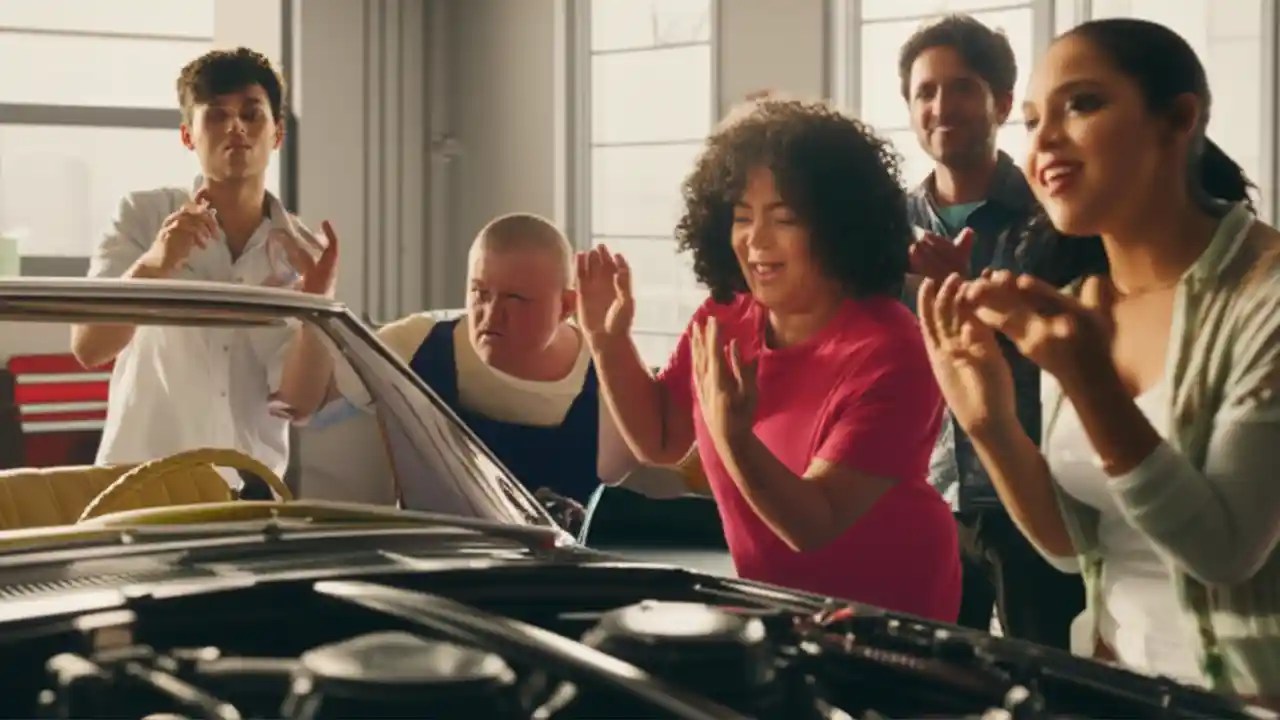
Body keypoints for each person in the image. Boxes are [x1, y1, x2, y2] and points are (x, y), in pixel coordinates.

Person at [919, 18, 1280, 701]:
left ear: (1179, 120)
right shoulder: (1083, 301)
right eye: (1031, 121)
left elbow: (1225, 554)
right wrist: (989, 421)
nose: (1044, 141)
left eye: (1081, 104)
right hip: (1114, 685)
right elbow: (1073, 547)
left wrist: (1089, 381)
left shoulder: (1266, 297)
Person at [578, 98, 961, 621]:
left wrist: (733, 437)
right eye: (741, 217)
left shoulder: (895, 351)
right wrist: (607, 341)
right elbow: (660, 439)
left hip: (890, 617)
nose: (755, 241)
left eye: (783, 219)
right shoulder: (727, 313)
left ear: (838, 227)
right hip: (777, 606)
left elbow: (813, 523)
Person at [897, 14, 1100, 647]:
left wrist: (970, 303)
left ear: (1002, 102)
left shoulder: (1057, 215)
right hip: (928, 496)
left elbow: (1085, 348)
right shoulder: (888, 223)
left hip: (1034, 494)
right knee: (933, 682)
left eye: (961, 88)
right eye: (925, 92)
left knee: (1044, 678)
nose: (941, 107)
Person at [71, 47, 337, 488]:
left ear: (277, 135)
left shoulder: (303, 254)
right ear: (187, 135)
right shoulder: (142, 216)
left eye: (252, 114)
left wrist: (318, 310)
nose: (236, 127)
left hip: (248, 489)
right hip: (138, 480)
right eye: (216, 115)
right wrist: (156, 264)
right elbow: (89, 347)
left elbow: (299, 404)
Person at [346, 213, 649, 513]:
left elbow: (614, 469)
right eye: (480, 293)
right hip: (436, 556)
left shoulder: (607, 367)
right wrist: (315, 299)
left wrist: (611, 340)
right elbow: (301, 403)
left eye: (515, 299)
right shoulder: (417, 341)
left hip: (561, 559)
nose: (491, 316)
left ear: (566, 306)